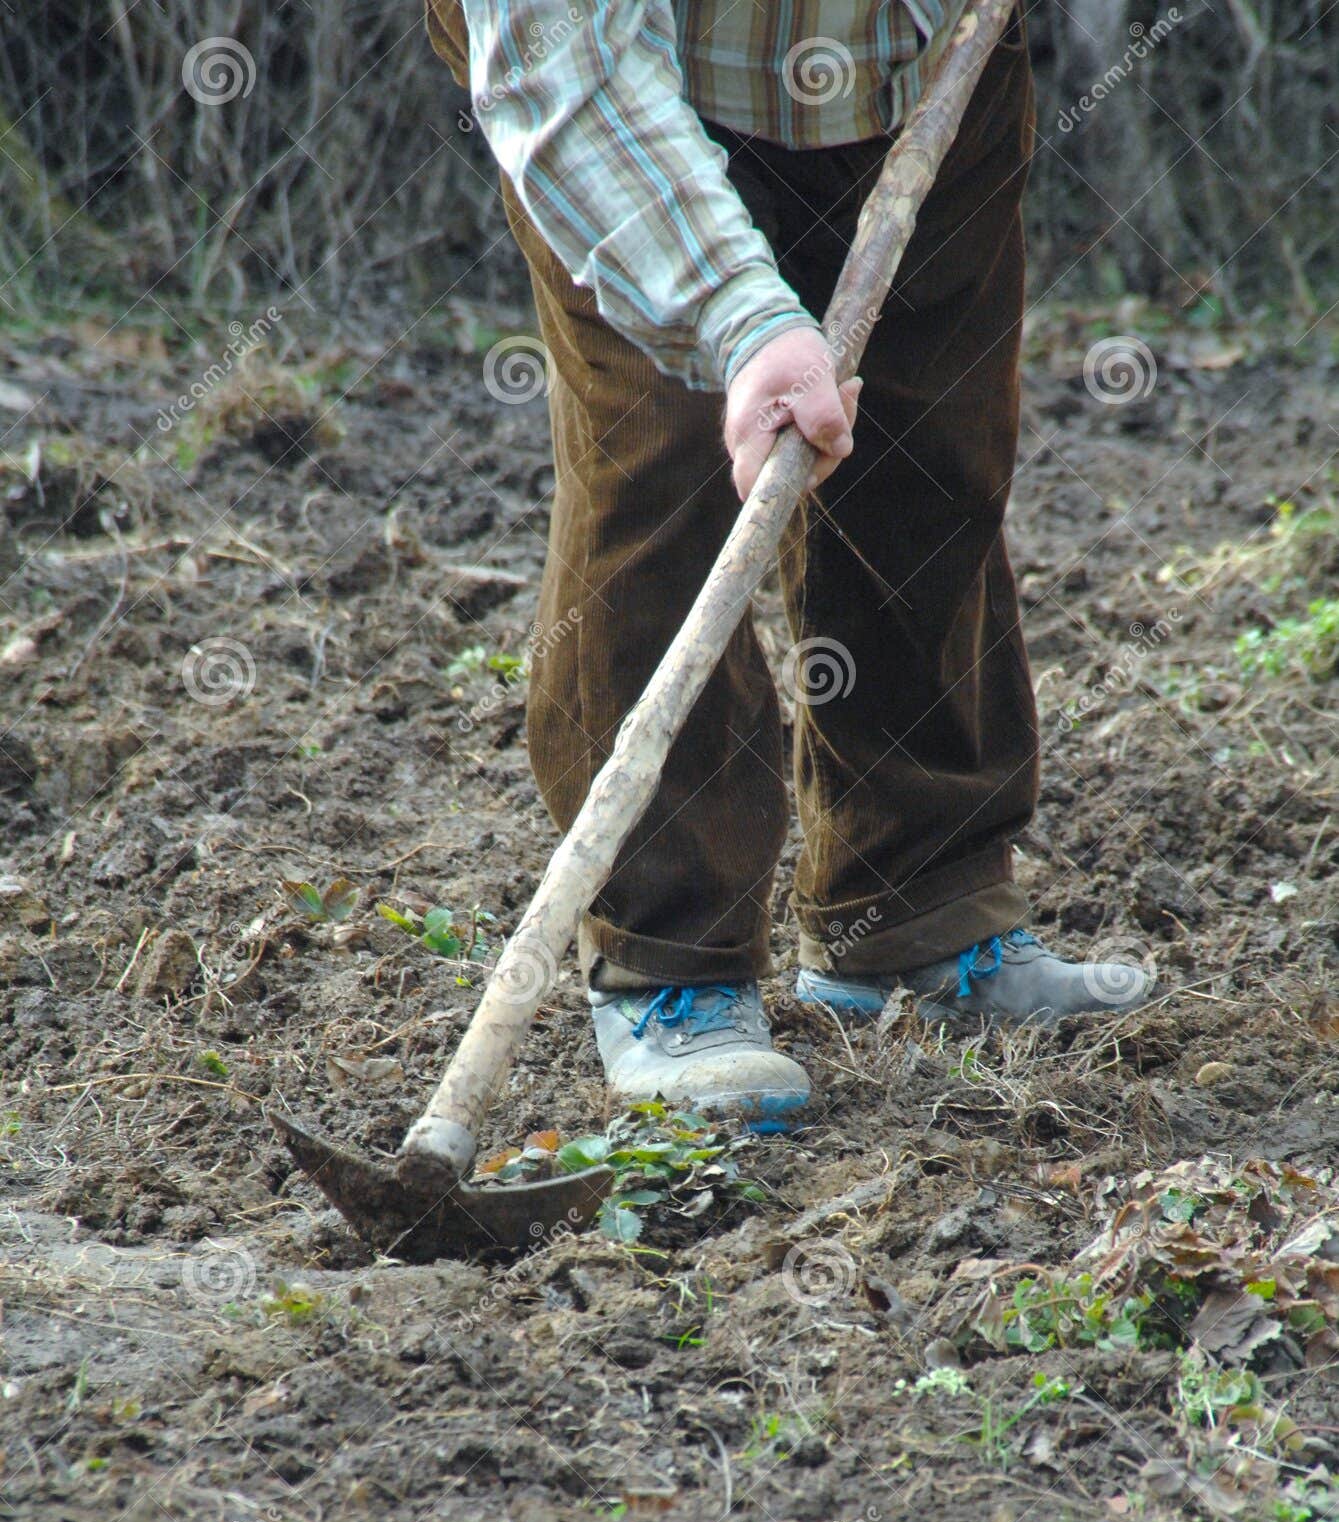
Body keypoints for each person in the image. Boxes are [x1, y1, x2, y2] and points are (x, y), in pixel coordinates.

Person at [425, 2, 1150, 1126]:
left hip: (926, 51)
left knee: (928, 453)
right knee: (661, 469)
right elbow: (567, 74)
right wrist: (742, 318)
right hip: (621, 87)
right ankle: (672, 960)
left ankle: (914, 909)